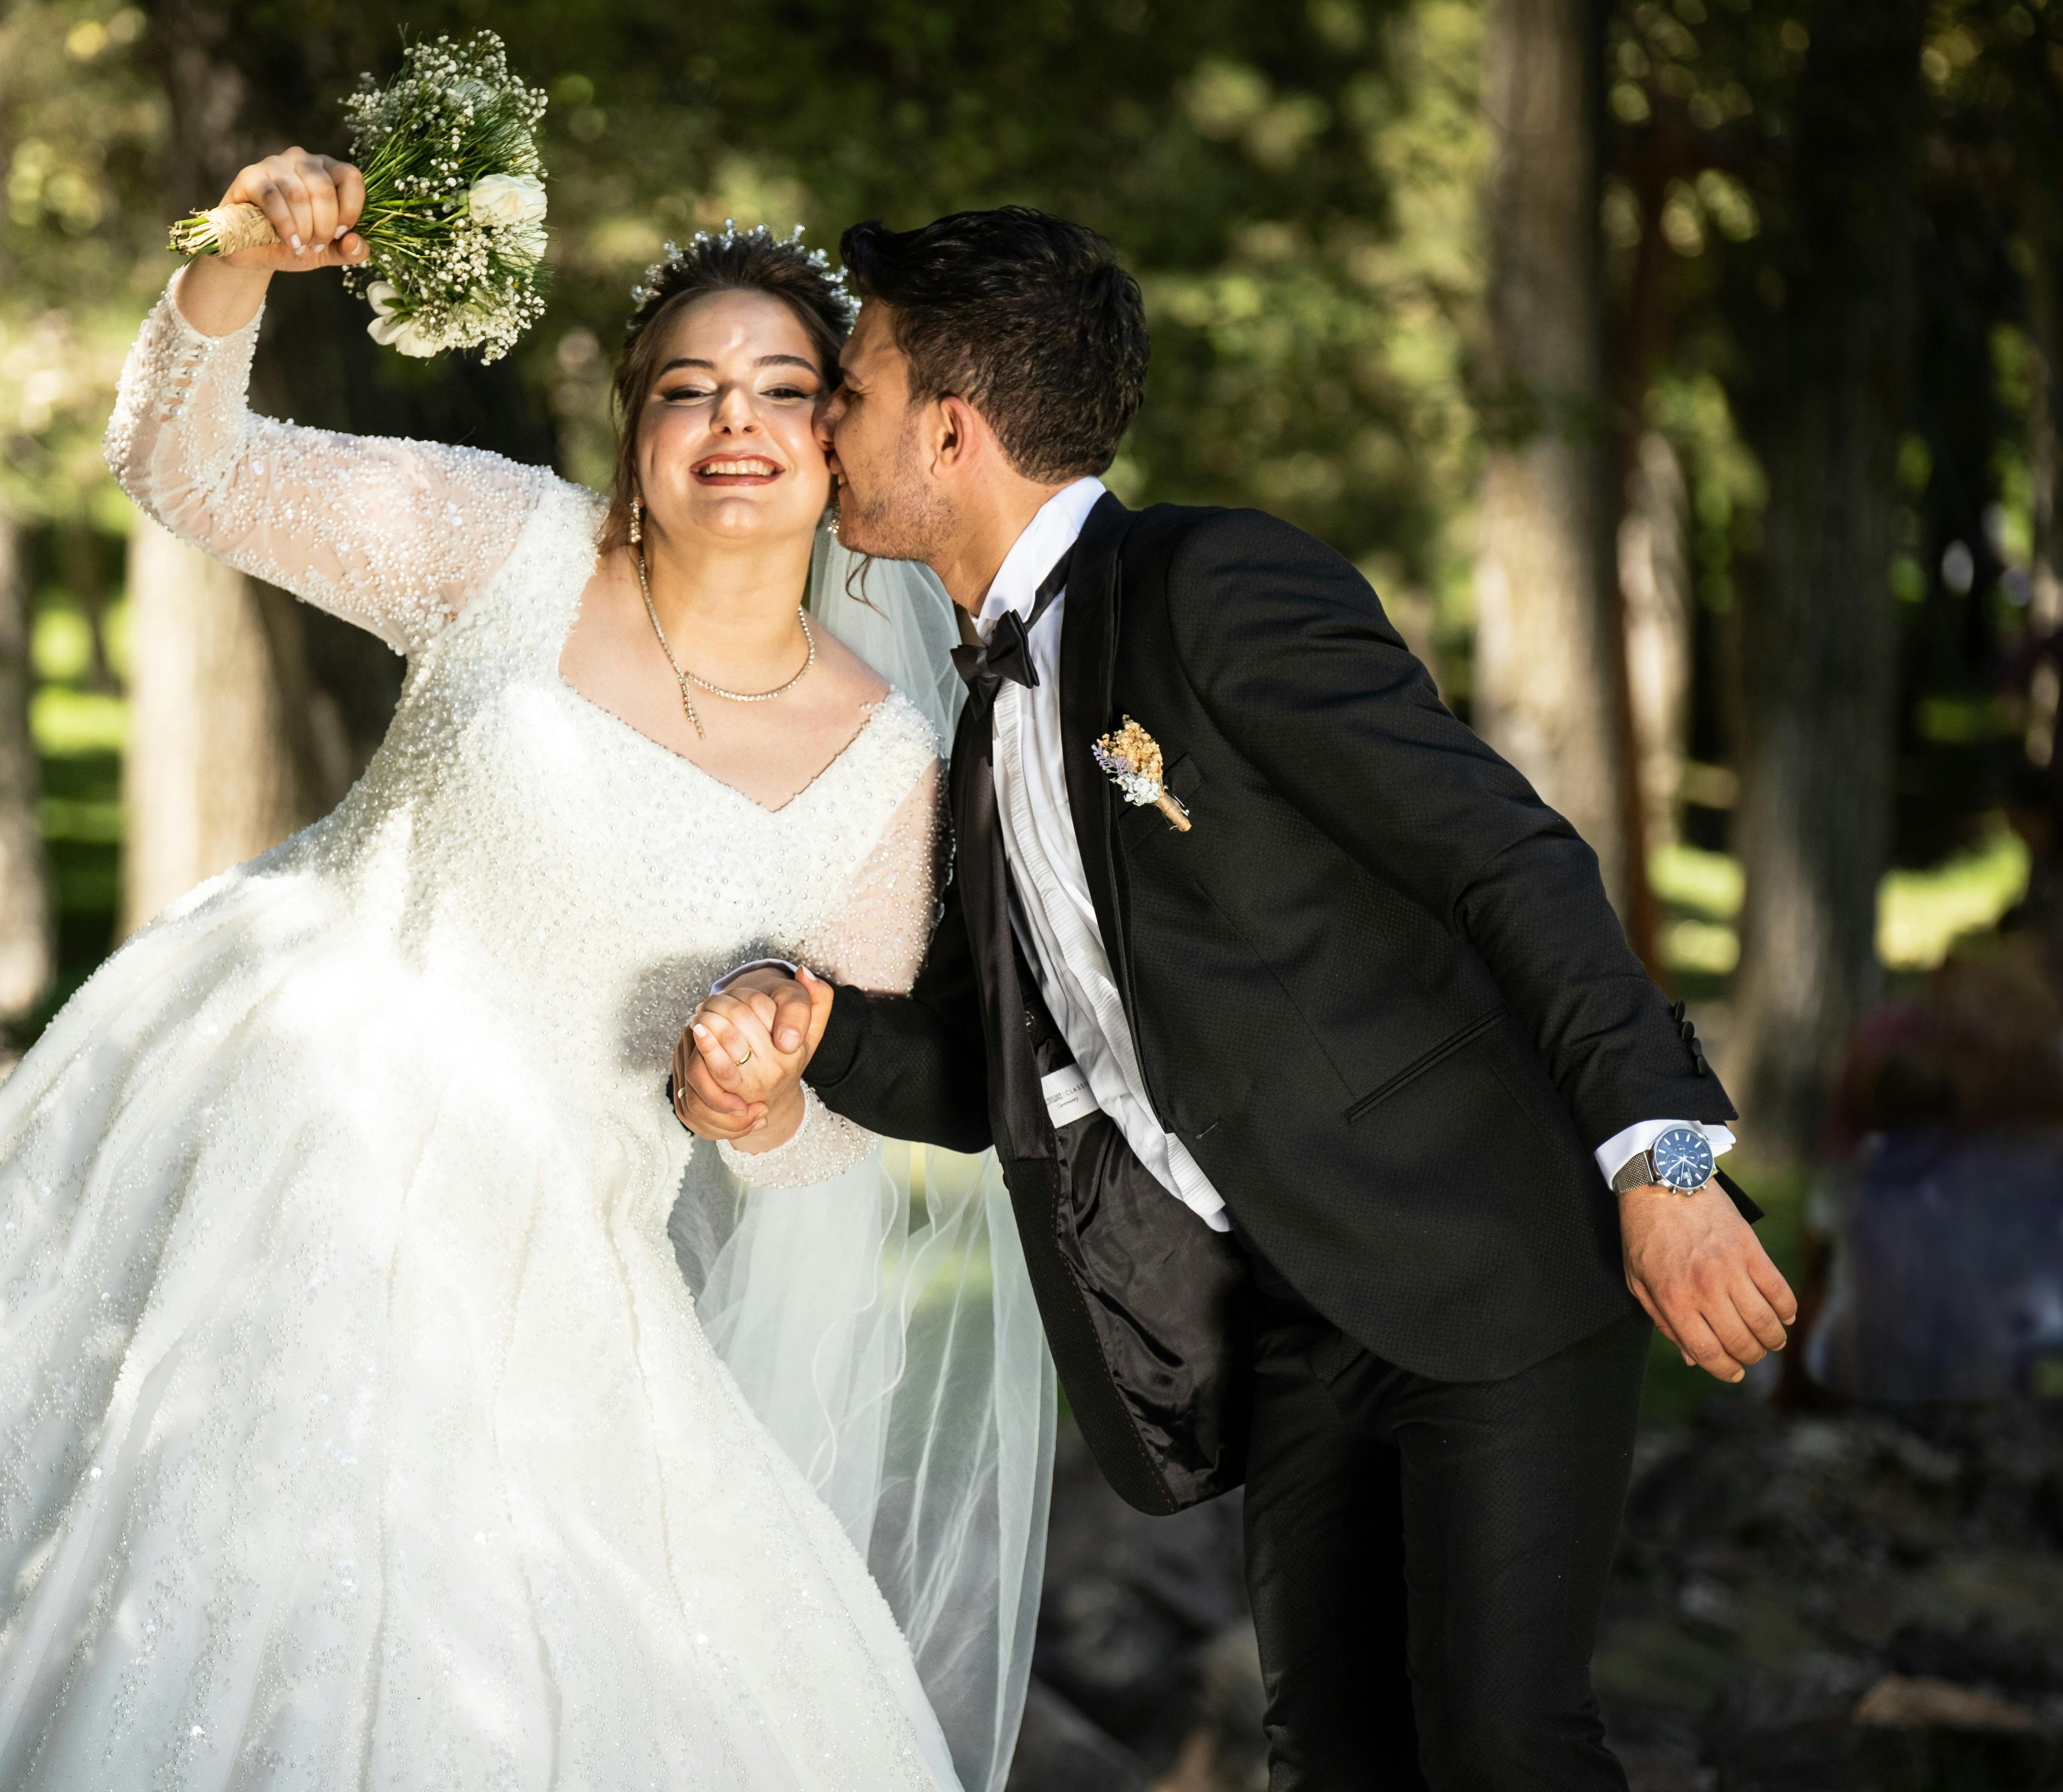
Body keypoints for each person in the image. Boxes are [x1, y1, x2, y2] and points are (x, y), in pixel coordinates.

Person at [0, 151, 1053, 1792]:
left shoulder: (885, 776)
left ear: (843, 436)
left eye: (783, 389)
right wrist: (229, 255)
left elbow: (837, 1113)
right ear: (633, 432)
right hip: (278, 1120)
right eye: (688, 388)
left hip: (549, 1256)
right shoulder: (510, 545)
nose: (733, 422)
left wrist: (750, 1099)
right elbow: (183, 466)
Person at [674, 205, 1801, 1791]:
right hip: (1292, 1315)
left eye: (844, 390)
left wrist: (1664, 1168)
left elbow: (1509, 861)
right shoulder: (982, 715)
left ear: (948, 425)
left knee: (1501, 1747)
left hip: (1489, 1256)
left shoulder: (1215, 587)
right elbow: (1004, 1073)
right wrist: (814, 1033)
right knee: (1330, 1758)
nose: (821, 428)